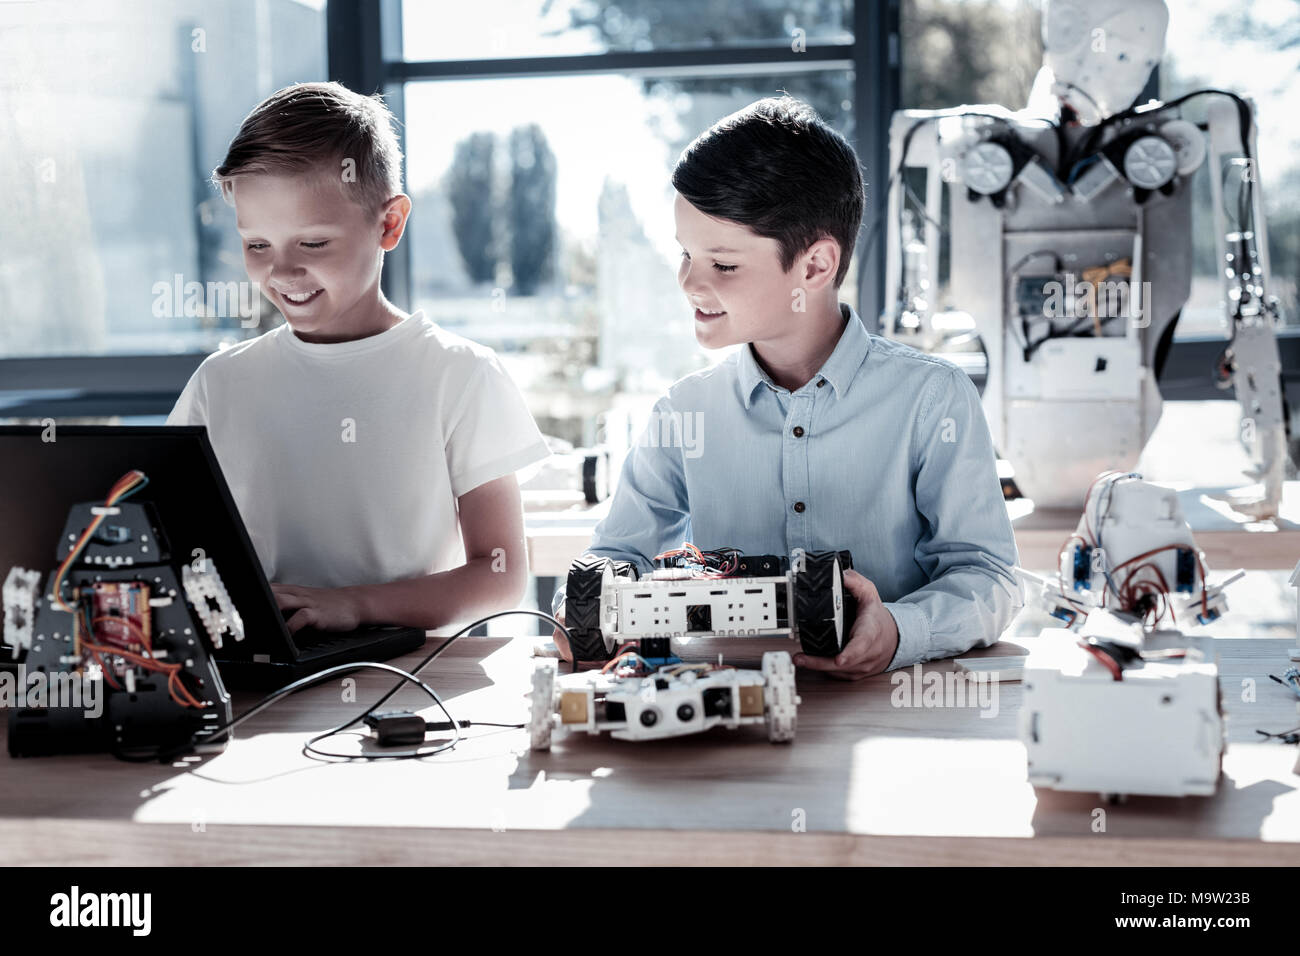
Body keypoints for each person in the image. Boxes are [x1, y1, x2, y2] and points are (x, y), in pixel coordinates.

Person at [552, 96, 1023, 678]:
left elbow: (989, 577)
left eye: (722, 265)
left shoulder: (932, 400)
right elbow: (614, 555)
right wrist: (583, 612)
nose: (689, 281)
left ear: (815, 266)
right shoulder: (684, 412)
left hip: (889, 715)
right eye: (685, 253)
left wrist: (901, 629)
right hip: (722, 719)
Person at [167, 82, 549, 635]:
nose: (282, 272)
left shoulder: (459, 375)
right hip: (261, 678)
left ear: (388, 224)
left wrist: (353, 606)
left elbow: (501, 576)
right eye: (258, 246)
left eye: (313, 244)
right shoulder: (219, 383)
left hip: (412, 682)